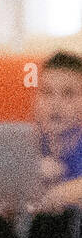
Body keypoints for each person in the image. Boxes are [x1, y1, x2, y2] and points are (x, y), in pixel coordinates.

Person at [35, 51, 82, 212]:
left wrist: (60, 193)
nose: (55, 104)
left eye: (68, 94)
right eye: (46, 92)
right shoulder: (26, 144)